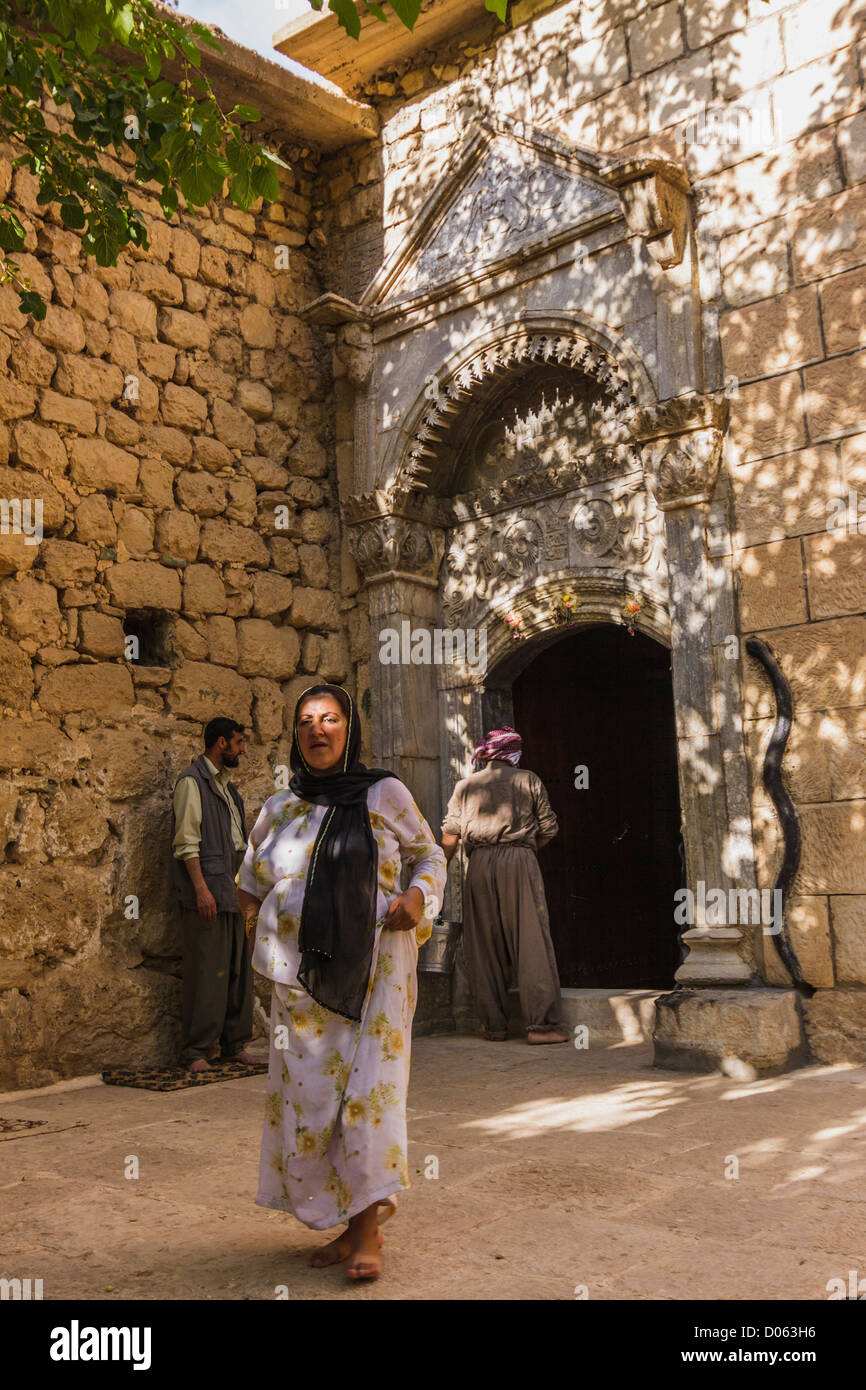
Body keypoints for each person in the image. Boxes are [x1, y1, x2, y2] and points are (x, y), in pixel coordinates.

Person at [236, 684, 446, 1282]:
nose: (318, 730)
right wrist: (259, 922)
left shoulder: (383, 792)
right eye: (306, 721)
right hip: (299, 984)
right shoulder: (281, 806)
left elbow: (430, 856)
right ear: (295, 734)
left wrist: (415, 895)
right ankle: (345, 1222)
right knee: (312, 1105)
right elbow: (250, 884)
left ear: (349, 729)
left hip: (375, 971)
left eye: (330, 719)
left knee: (368, 1099)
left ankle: (369, 1231)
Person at [440, 724, 569, 1046]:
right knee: (531, 942)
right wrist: (523, 850)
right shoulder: (528, 780)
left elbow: (450, 835)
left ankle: (493, 1026)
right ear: (514, 753)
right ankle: (541, 1027)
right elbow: (549, 828)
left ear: (487, 754)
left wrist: (435, 873)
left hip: (479, 864)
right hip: (519, 860)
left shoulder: (465, 786)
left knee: (483, 945)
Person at [170, 717, 256, 1073]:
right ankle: (197, 1051)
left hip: (232, 888)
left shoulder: (229, 788)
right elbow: (186, 842)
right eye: (237, 742)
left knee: (238, 971)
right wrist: (201, 889)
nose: (242, 749)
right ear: (221, 743)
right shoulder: (193, 783)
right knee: (208, 972)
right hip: (208, 890)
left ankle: (233, 1045)